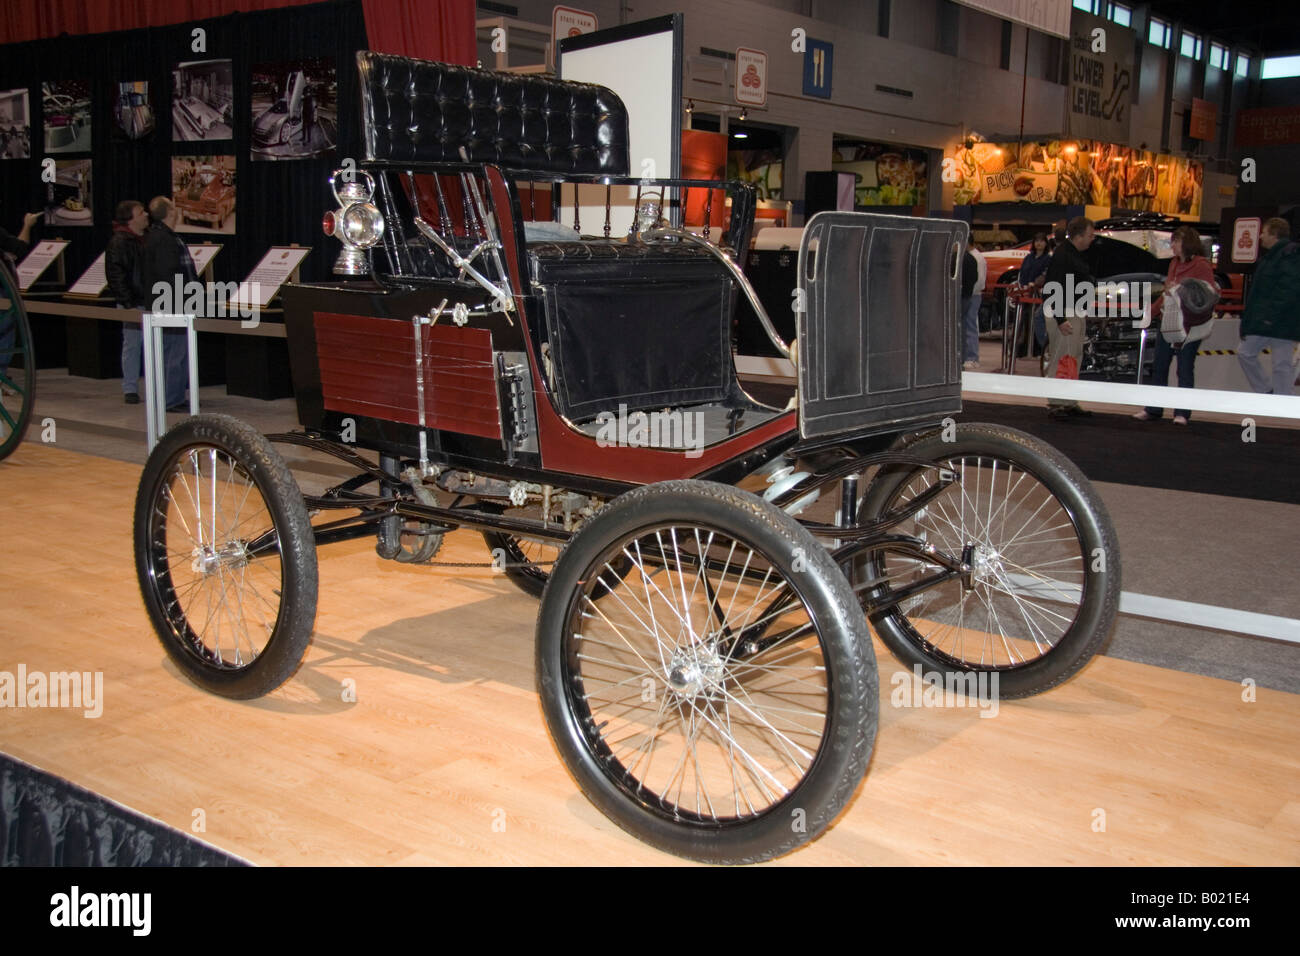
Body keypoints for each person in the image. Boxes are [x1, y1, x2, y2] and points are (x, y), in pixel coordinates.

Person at [1133, 226, 1218, 425]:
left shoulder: (1201, 265)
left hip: (1190, 326)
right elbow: (1166, 295)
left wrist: (1180, 290)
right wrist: (1151, 313)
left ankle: (1182, 412)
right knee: (1159, 366)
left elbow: (1206, 295)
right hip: (1169, 322)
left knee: (1185, 368)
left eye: (1176, 241)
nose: (1172, 245)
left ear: (1187, 243)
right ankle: (1153, 408)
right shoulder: (1174, 263)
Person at [137, 196, 196, 412]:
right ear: (170, 212)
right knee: (174, 353)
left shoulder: (159, 236)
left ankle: (175, 396)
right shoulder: (164, 239)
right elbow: (168, 274)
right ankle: (171, 399)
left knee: (173, 352)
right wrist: (185, 299)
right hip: (171, 305)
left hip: (169, 303)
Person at [1237, 217, 1300, 396]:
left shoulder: (1288, 256)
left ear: (1274, 235)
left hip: (1276, 320)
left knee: (1279, 363)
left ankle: (1277, 399)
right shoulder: (1272, 259)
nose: (1260, 237)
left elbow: (1288, 290)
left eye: (1263, 232)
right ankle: (1273, 396)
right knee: (1275, 362)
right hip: (1275, 320)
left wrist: (1268, 315)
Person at [1043, 216, 1096, 419]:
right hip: (1063, 313)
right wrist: (1060, 318)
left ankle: (1069, 400)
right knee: (1061, 357)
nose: (1092, 239)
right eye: (1090, 235)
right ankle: (1056, 403)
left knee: (1074, 357)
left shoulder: (1075, 254)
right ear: (1079, 235)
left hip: (1075, 312)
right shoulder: (1062, 255)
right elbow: (1052, 288)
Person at [105, 200, 149, 404]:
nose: (146, 214)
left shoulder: (146, 239)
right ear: (131, 219)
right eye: (141, 212)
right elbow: (115, 274)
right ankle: (130, 388)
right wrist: (127, 304)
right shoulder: (120, 241)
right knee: (132, 345)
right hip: (133, 302)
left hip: (148, 300)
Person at [1, 210, 43, 388]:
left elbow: (14, 251)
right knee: (5, 336)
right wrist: (27, 225)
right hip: (2, 293)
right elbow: (19, 248)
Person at [1016, 232, 1052, 352]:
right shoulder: (1028, 257)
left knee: (1037, 319)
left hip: (1039, 293)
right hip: (1026, 292)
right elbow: (1022, 273)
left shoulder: (1048, 258)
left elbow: (1046, 275)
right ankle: (1023, 347)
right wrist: (1023, 285)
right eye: (1037, 241)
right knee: (1024, 320)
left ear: (1046, 243)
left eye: (1042, 241)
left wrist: (1035, 284)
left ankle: (1037, 348)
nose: (1039, 243)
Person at [961, 237, 986, 370]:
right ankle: (968, 356)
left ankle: (972, 357)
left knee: (970, 325)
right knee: (967, 325)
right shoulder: (971, 256)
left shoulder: (976, 257)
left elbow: (980, 280)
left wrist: (969, 291)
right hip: (970, 294)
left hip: (973, 295)